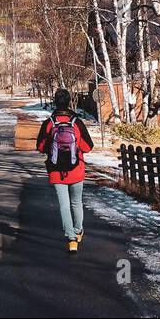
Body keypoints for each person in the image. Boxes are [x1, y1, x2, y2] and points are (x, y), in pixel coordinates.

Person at [35, 88, 94, 253]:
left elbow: (40, 147)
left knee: (64, 205)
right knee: (76, 202)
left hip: (55, 171)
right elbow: (88, 147)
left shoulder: (49, 123)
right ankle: (78, 230)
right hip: (76, 170)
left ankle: (71, 240)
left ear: (55, 102)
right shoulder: (77, 122)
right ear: (69, 102)